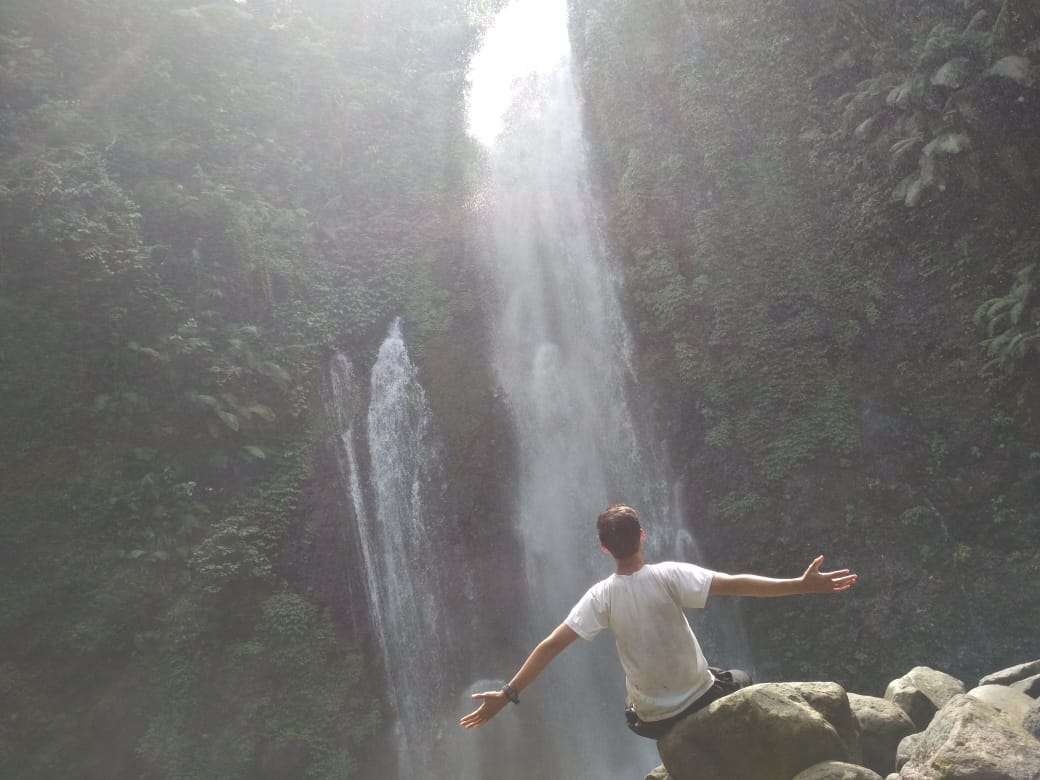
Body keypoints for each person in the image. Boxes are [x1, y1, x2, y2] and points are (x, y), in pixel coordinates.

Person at [459, 503, 858, 739]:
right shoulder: (669, 574)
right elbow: (737, 585)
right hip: (703, 696)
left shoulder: (599, 597)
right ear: (643, 536)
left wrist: (507, 694)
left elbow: (549, 646)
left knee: (635, 701)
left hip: (650, 721)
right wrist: (801, 584)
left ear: (603, 547)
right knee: (740, 679)